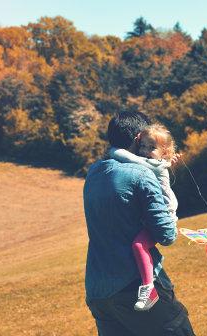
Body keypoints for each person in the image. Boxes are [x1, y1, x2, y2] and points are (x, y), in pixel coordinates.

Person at [83, 111, 195, 336]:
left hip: (98, 292)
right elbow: (166, 234)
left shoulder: (93, 173)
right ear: (138, 138)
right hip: (134, 286)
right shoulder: (141, 174)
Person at [109, 124, 178, 311]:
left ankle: (149, 289)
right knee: (140, 245)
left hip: (165, 214)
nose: (145, 152)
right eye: (143, 146)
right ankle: (149, 284)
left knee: (138, 245)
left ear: (164, 153)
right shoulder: (158, 162)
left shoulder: (153, 165)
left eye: (151, 148)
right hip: (152, 214)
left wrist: (114, 149)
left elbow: (125, 157)